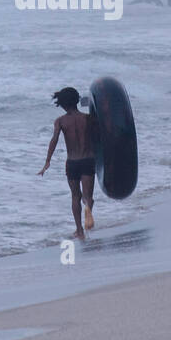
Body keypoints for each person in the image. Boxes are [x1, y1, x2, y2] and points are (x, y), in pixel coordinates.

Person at [38, 87, 96, 240]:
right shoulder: (88, 118)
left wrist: (47, 161)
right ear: (77, 101)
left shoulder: (61, 121)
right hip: (88, 160)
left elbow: (54, 140)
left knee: (75, 196)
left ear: (62, 105)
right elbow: (101, 137)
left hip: (72, 163)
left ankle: (79, 231)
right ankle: (88, 207)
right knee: (87, 195)